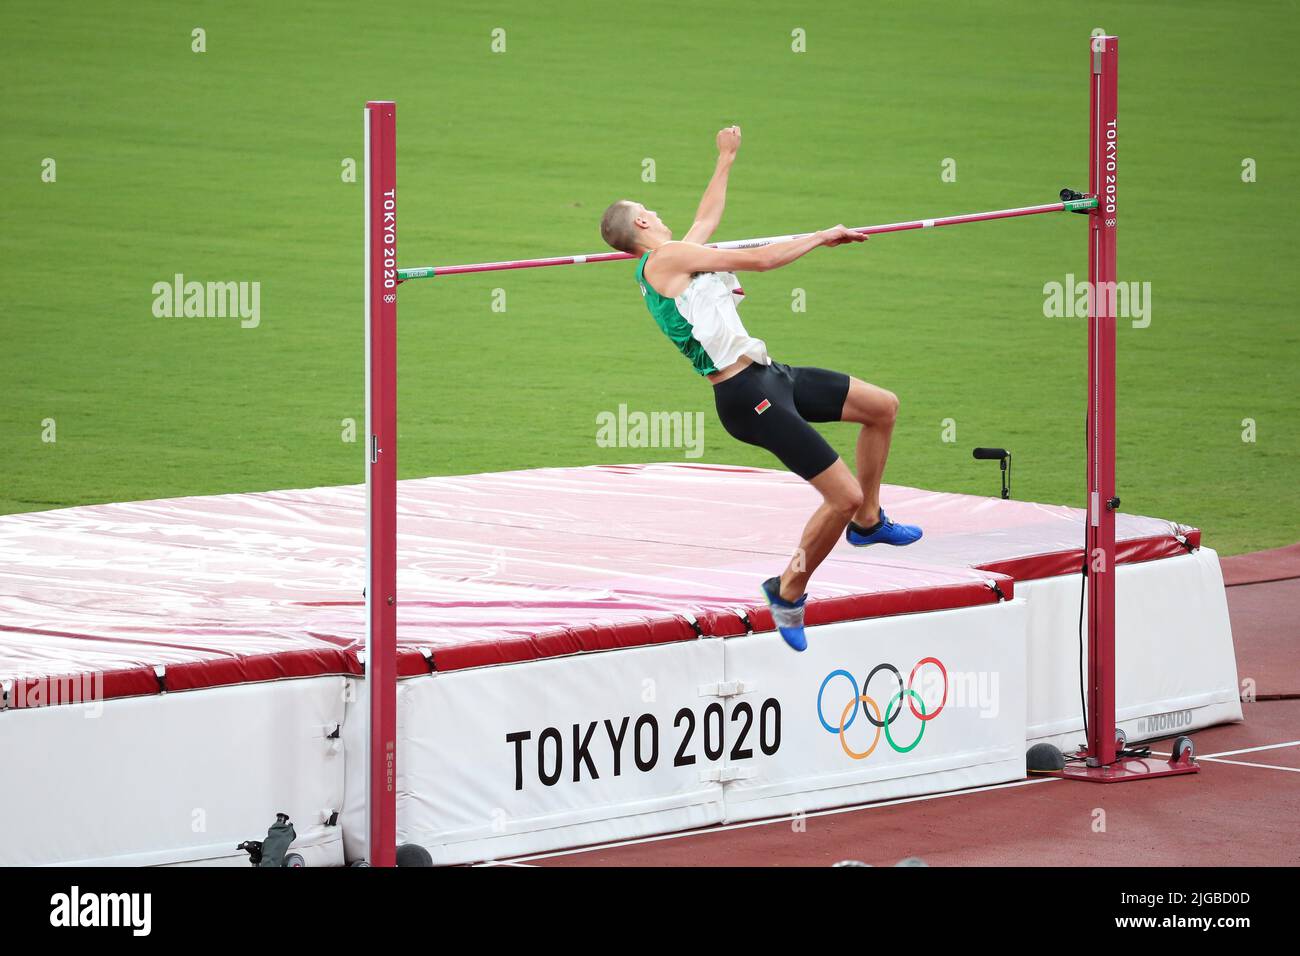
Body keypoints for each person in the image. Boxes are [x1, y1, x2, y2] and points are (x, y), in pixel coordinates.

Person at [599, 125, 921, 651]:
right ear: (640, 221)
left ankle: (868, 523)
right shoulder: (665, 261)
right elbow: (762, 260)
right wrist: (822, 236)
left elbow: (706, 218)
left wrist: (725, 158)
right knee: (841, 495)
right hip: (747, 397)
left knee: (882, 407)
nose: (659, 213)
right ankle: (789, 587)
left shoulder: (674, 254)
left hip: (770, 374)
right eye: (650, 209)